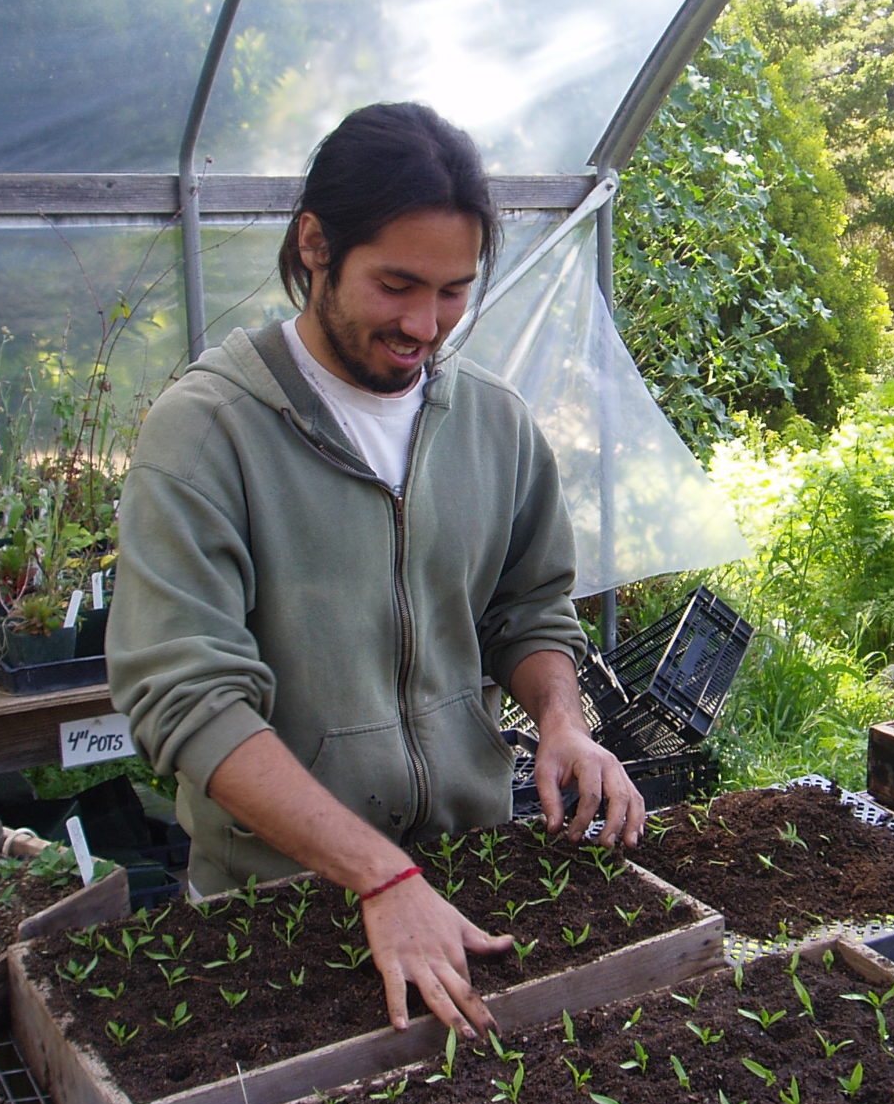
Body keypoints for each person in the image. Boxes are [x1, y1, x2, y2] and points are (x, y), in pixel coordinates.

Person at [106, 101, 646, 1039]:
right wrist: (378, 874)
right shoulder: (207, 434)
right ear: (314, 244)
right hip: (276, 911)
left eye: (453, 291)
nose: (425, 324)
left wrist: (562, 720)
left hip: (469, 877)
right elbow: (189, 701)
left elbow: (529, 612)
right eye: (397, 284)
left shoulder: (494, 425)